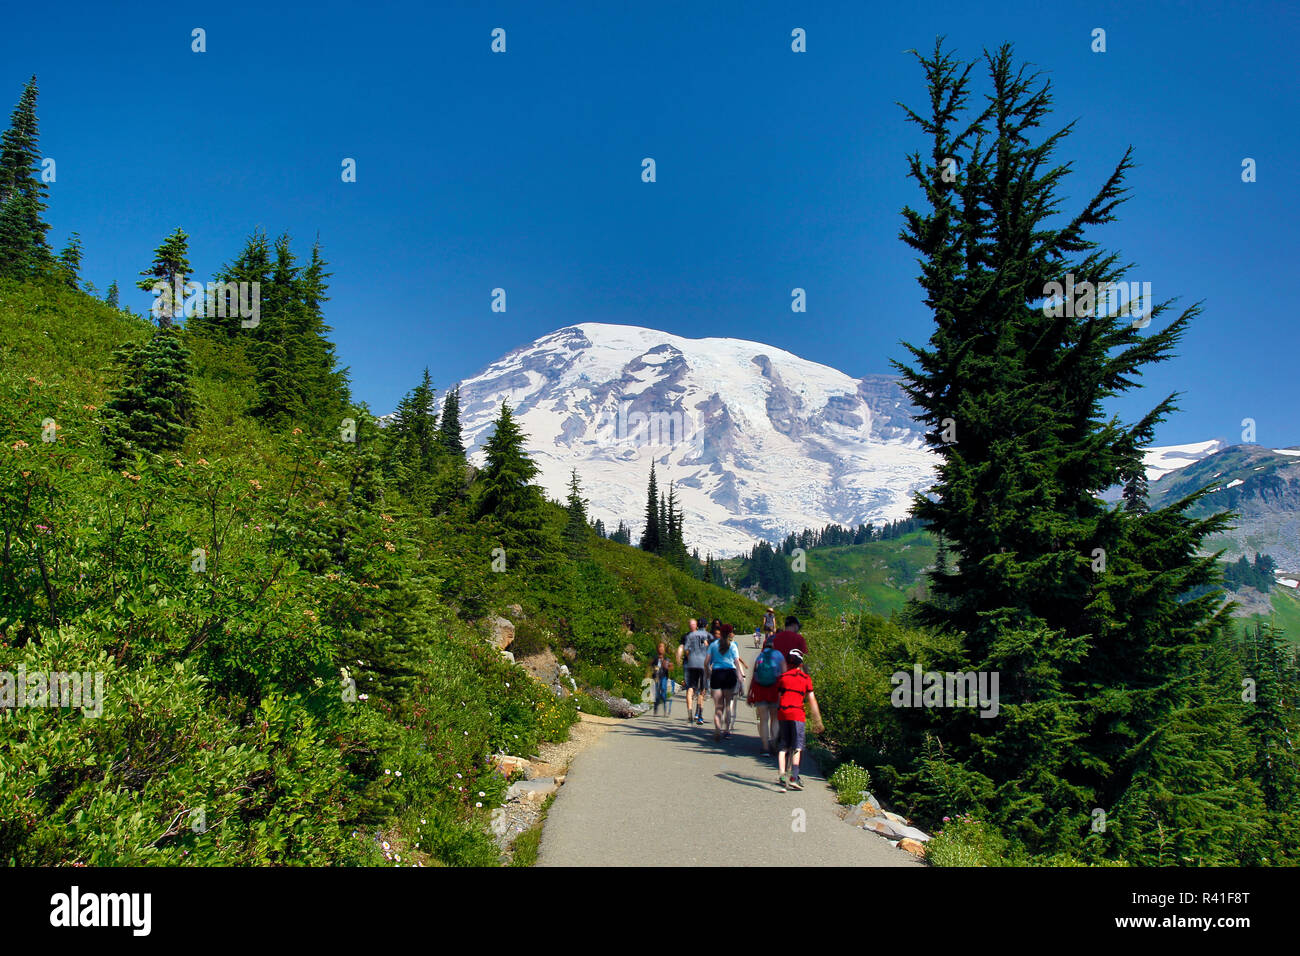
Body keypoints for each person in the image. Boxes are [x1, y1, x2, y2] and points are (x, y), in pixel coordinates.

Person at [774, 648, 822, 791]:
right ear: (801, 664)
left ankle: (782, 777)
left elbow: (778, 698)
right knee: (797, 747)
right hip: (797, 715)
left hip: (783, 713)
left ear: (788, 663)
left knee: (783, 746)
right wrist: (817, 719)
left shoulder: (783, 678)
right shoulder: (806, 679)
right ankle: (794, 777)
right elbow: (811, 699)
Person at [747, 632, 786, 755]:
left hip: (760, 689)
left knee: (763, 719)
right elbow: (784, 674)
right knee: (774, 718)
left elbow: (754, 676)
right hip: (774, 689)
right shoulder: (779, 655)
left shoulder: (759, 656)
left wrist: (750, 693)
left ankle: (765, 747)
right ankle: (774, 742)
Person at [706, 622, 746, 741]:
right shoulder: (733, 646)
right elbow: (737, 663)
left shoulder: (713, 645)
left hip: (717, 674)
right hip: (729, 674)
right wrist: (741, 680)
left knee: (718, 706)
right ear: (730, 634)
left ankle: (717, 728)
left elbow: (706, 662)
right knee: (728, 705)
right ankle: (727, 730)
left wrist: (708, 674)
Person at [676, 619, 710, 725]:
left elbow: (681, 648)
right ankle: (698, 714)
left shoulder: (685, 636)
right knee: (701, 690)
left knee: (690, 689)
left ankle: (691, 714)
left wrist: (678, 658)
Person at [651, 642, 673, 716]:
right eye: (660, 647)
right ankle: (656, 707)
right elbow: (650, 666)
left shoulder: (667, 659)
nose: (661, 648)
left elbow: (671, 667)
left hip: (664, 677)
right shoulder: (655, 658)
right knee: (657, 693)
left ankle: (665, 708)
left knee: (663, 690)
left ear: (664, 649)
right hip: (656, 677)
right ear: (658, 649)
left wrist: (668, 666)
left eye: (663, 647)